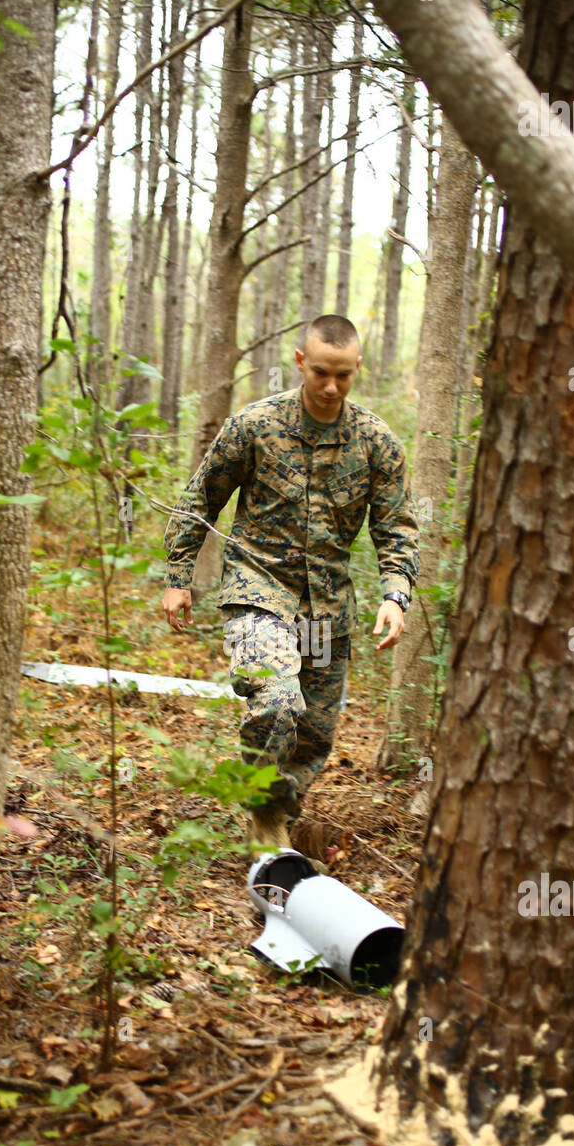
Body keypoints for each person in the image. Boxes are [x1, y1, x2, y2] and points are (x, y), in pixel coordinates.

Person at [161, 314, 420, 855]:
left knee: (312, 735)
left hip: (325, 607)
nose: (330, 387)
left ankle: (278, 814)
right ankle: (265, 819)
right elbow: (202, 495)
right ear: (301, 362)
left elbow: (396, 527)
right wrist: (178, 575)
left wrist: (396, 594)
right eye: (321, 372)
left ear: (357, 370)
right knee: (277, 700)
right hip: (258, 588)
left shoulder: (375, 443)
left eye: (343, 376)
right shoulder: (255, 426)